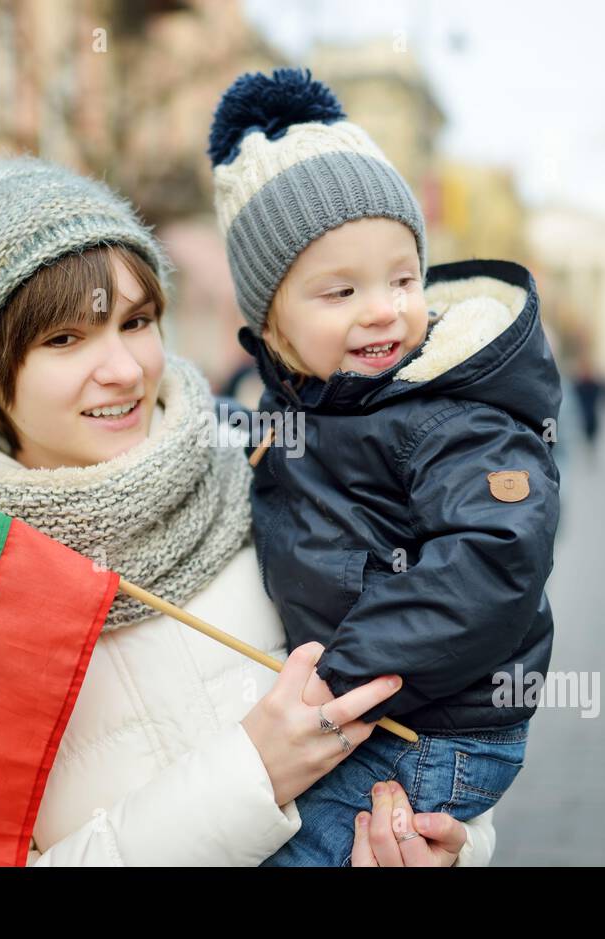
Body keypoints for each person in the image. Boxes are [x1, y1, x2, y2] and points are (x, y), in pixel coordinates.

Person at [0, 156, 494, 866]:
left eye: (136, 321)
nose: (123, 368)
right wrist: (252, 776)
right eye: (64, 339)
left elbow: (431, 727)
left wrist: (447, 846)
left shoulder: (273, 475)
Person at [207, 69, 558, 866]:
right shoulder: (321, 405)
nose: (384, 307)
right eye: (341, 290)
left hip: (428, 729)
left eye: (404, 278)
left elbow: (497, 553)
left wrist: (344, 675)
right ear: (272, 329)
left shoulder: (447, 410)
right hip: (392, 712)